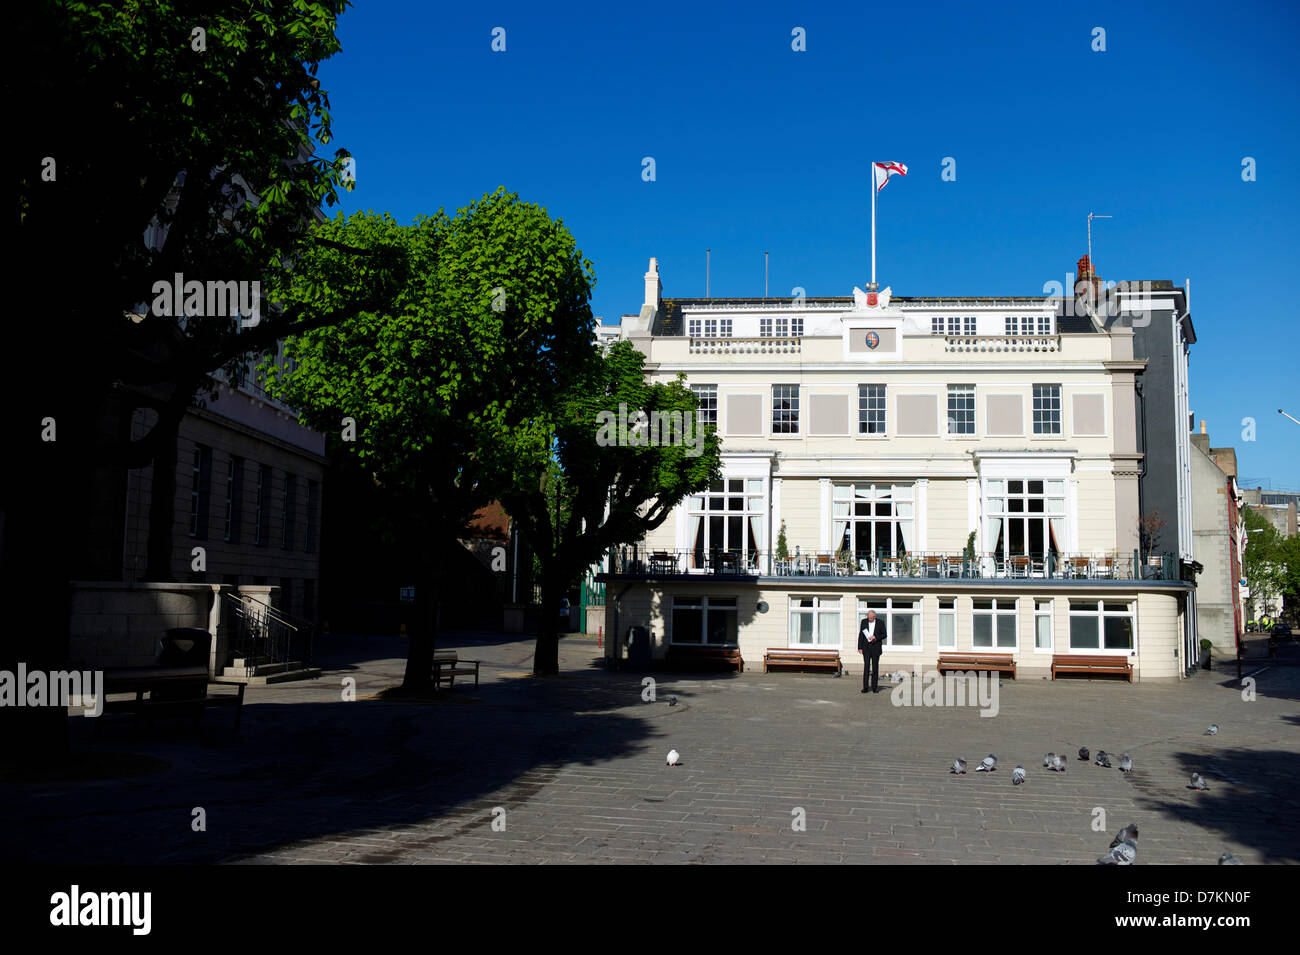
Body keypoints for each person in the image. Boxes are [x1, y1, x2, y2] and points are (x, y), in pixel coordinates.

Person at [858, 610, 886, 693]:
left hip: (876, 648)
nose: (870, 619)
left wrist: (875, 637)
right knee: (866, 667)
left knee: (875, 668)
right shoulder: (863, 622)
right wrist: (859, 647)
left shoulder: (880, 623)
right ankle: (865, 687)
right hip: (866, 648)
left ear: (875, 617)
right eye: (869, 618)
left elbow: (884, 634)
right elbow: (861, 634)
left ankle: (874, 687)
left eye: (871, 618)